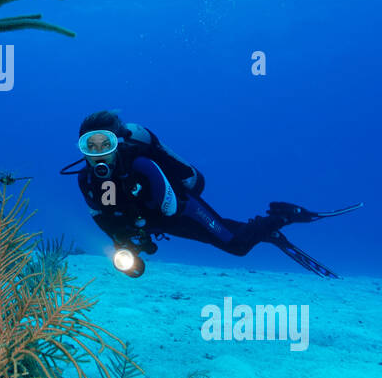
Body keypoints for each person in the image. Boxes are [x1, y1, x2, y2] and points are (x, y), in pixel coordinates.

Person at [64, 110, 358, 278]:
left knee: (236, 246)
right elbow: (100, 216)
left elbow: (166, 206)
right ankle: (265, 228)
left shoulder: (141, 164)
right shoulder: (86, 180)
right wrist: (122, 243)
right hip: (155, 224)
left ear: (118, 144)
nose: (99, 153)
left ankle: (279, 219)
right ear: (83, 150)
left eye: (106, 144)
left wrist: (139, 227)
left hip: (182, 209)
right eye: (91, 146)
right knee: (230, 235)